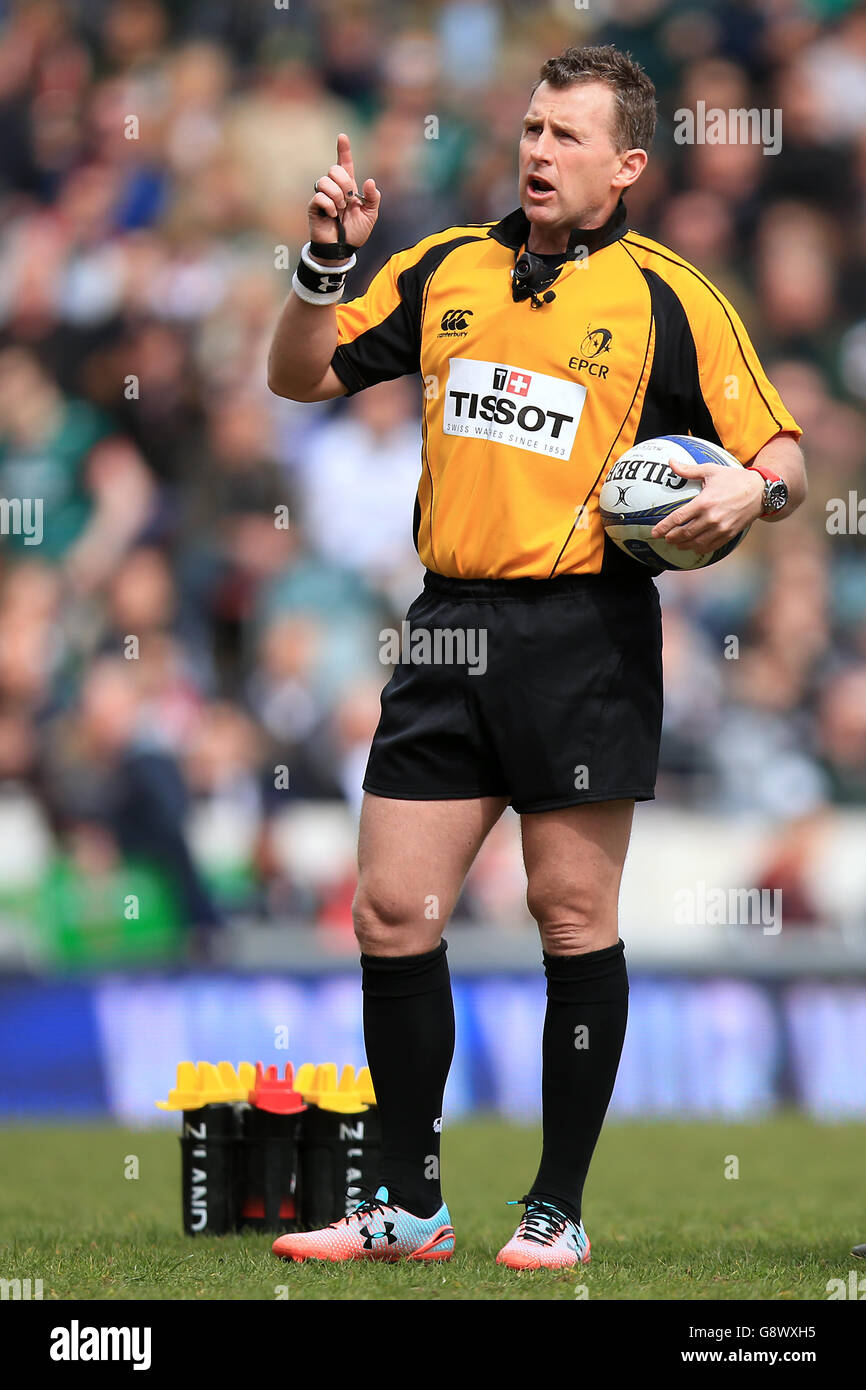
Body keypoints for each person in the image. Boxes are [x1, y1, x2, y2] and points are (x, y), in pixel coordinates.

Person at [267, 44, 806, 1270]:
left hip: (582, 631)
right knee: (391, 910)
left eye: (565, 136)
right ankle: (408, 1206)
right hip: (446, 617)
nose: (536, 152)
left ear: (625, 165)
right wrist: (320, 266)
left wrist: (751, 502)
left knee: (571, 917)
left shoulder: (673, 295)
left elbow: (781, 450)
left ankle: (554, 1207)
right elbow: (291, 375)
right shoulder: (447, 264)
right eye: (527, 128)